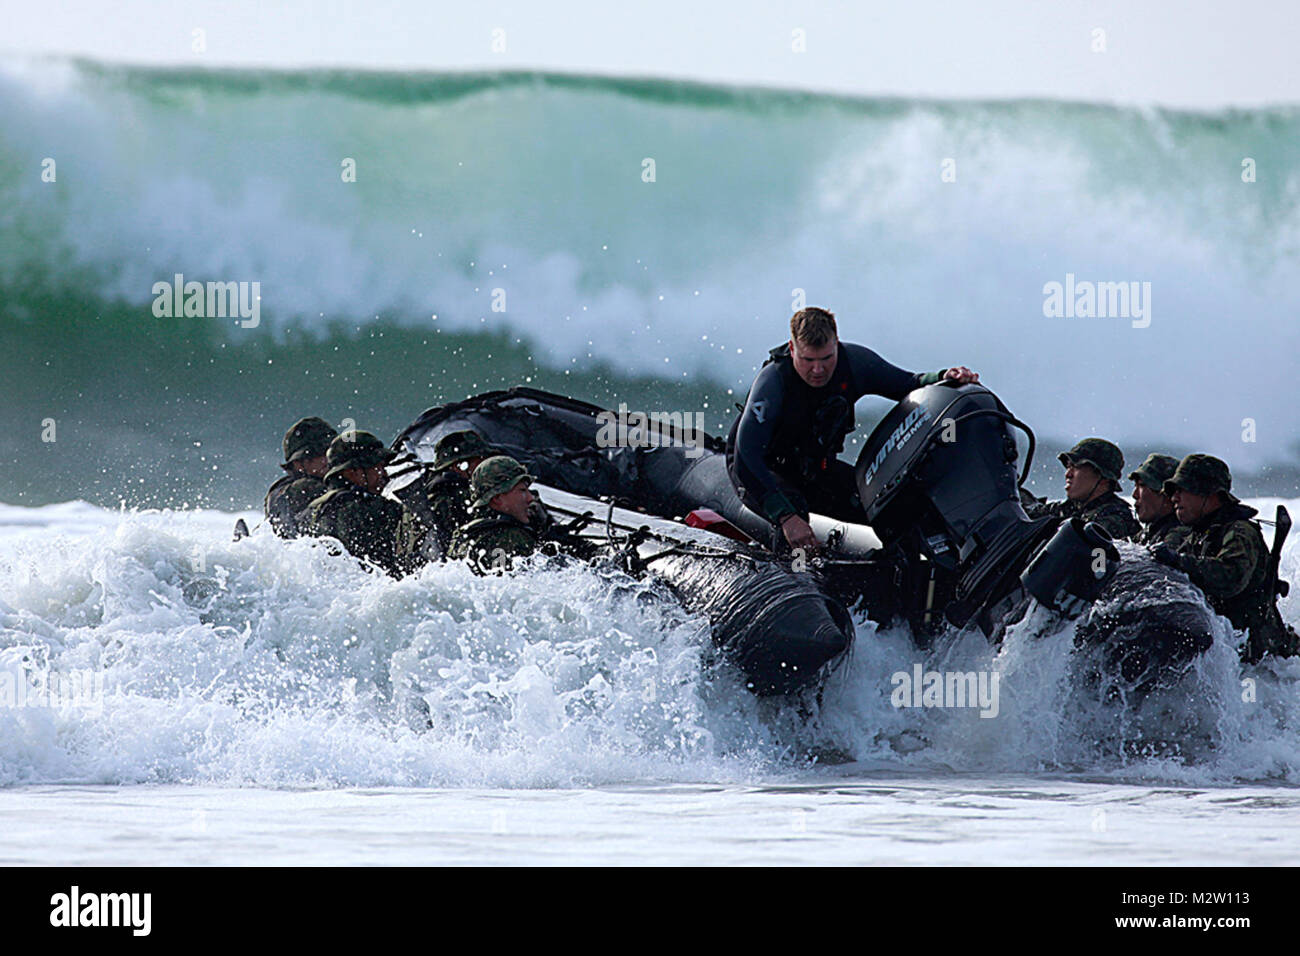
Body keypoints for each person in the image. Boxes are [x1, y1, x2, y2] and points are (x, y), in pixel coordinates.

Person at [726, 306, 979, 552]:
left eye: (826, 358)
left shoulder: (855, 363)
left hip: (812, 469)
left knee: (891, 510)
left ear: (836, 343)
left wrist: (945, 376)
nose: (818, 370)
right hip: (762, 471)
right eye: (808, 360)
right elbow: (746, 457)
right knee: (795, 509)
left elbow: (908, 384)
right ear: (792, 349)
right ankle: (788, 580)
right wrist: (786, 516)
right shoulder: (773, 382)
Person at [1149, 454, 1297, 663]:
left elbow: (1230, 577)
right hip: (1228, 651)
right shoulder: (1198, 534)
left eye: (1182, 490)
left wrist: (1179, 562)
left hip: (1263, 661)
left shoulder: (1239, 532)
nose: (1174, 498)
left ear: (1210, 494)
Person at [448, 456, 594, 574]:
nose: (530, 498)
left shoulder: (466, 534)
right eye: (522, 490)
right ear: (497, 499)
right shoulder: (514, 538)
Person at [302, 431, 420, 577]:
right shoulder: (371, 509)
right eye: (377, 467)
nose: (384, 473)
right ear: (352, 471)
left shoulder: (313, 509)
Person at [1025, 438, 1140, 540]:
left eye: (1077, 467)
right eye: (1069, 466)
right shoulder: (1072, 508)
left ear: (1103, 478)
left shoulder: (1113, 520)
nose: (1068, 474)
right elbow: (1033, 512)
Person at [265, 417, 338, 538]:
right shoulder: (300, 489)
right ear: (298, 463)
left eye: (331, 450)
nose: (327, 458)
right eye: (319, 453)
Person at [1127, 453, 1186, 547]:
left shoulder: (1178, 536)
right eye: (1135, 486)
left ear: (1166, 494)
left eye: (1142, 485)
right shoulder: (1150, 531)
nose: (1135, 495)